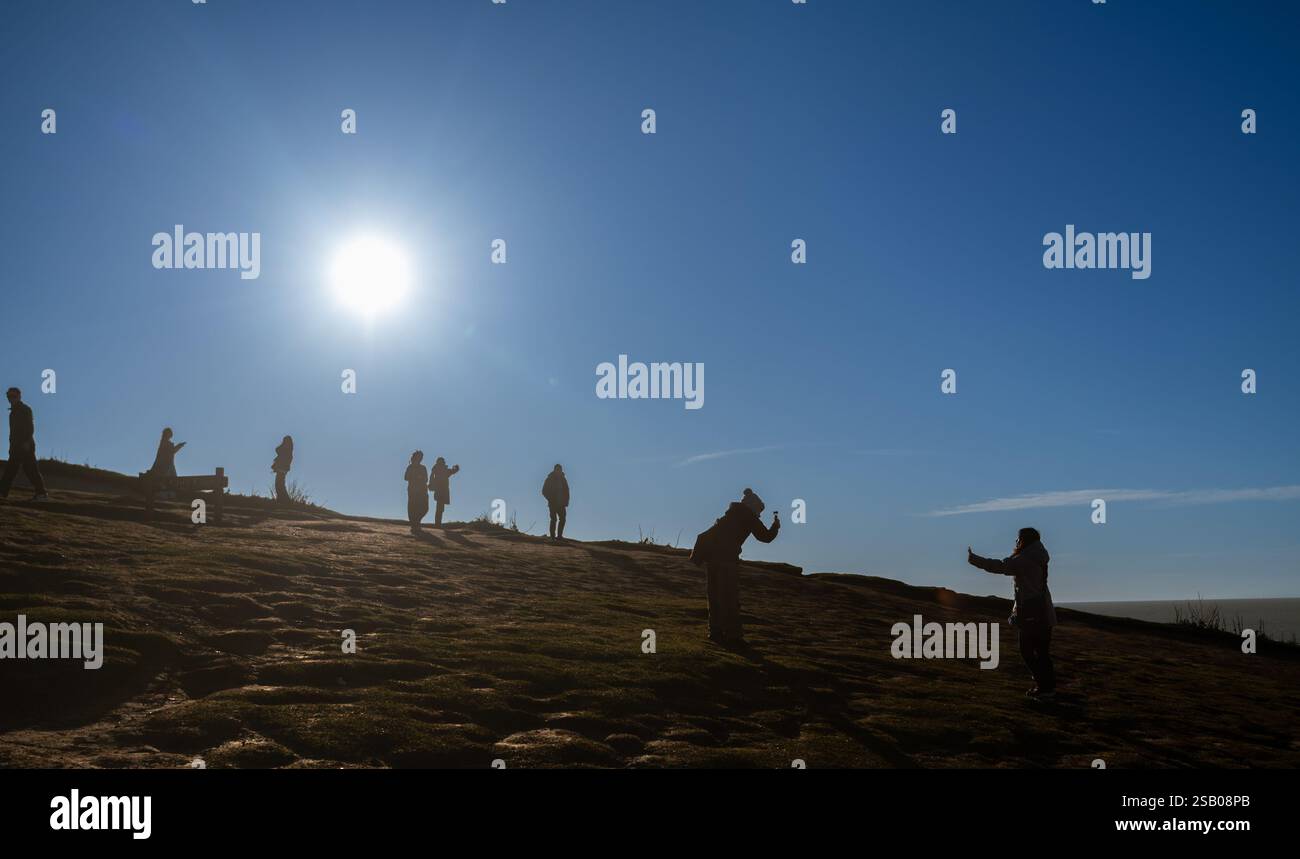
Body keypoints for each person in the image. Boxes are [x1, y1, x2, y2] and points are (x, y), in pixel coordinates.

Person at [968, 527, 1057, 700]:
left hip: (1031, 615)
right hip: (1044, 612)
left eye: (1017, 539)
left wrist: (974, 559)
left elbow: (1000, 567)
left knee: (1027, 651)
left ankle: (1044, 687)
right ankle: (1048, 687)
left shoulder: (1024, 559)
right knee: (1042, 652)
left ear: (1023, 540)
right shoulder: (1039, 555)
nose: (1015, 542)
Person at [689, 488, 780, 645]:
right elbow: (765, 537)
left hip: (713, 561)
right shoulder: (748, 516)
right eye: (759, 511)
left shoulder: (729, 516)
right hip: (727, 562)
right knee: (729, 598)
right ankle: (733, 634)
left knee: (714, 597)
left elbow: (706, 536)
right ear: (754, 507)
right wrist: (775, 527)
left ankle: (715, 631)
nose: (759, 515)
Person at [0, 387, 49, 501]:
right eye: (9, 396)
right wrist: (11, 447)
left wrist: (26, 442)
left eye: (13, 396)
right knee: (28, 469)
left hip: (24, 445)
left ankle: (2, 492)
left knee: (13, 469)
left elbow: (30, 428)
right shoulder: (12, 413)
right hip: (17, 446)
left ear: (19, 396)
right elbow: (13, 433)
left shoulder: (25, 409)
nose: (11, 398)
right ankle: (41, 493)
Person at [427, 457, 460, 527]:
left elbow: (453, 471)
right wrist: (456, 468)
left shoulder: (438, 470)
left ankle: (438, 523)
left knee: (440, 507)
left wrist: (431, 485)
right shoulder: (441, 470)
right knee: (440, 507)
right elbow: (453, 471)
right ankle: (438, 523)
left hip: (441, 490)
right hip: (441, 490)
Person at [541, 464, 569, 540]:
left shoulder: (563, 479)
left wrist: (566, 501)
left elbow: (567, 491)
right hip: (553, 503)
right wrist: (550, 499)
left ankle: (559, 536)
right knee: (553, 519)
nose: (558, 471)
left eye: (560, 470)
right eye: (557, 470)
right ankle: (552, 536)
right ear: (554, 470)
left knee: (563, 519)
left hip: (561, 503)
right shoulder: (550, 478)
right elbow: (543, 491)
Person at [404, 451, 429, 535]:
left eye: (421, 457)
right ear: (415, 457)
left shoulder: (423, 467)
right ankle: (415, 525)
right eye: (419, 457)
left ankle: (416, 522)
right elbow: (406, 477)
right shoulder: (410, 467)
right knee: (412, 508)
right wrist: (416, 477)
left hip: (422, 490)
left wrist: (421, 478)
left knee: (425, 508)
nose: (421, 458)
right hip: (413, 490)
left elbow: (426, 479)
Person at [272, 435, 294, 505]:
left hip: (282, 469)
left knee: (279, 484)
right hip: (283, 469)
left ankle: (285, 500)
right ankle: (282, 499)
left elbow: (277, 449)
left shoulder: (286, 450)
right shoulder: (289, 450)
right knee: (280, 484)